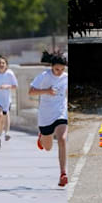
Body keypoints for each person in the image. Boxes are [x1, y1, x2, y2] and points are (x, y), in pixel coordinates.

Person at [30, 55, 69, 188]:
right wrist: (46, 91)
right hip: (46, 116)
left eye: (62, 69)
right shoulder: (44, 76)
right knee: (48, 148)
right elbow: (31, 92)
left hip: (60, 113)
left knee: (62, 139)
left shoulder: (66, 77)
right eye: (57, 69)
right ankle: (42, 137)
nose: (59, 72)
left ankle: (63, 173)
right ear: (52, 67)